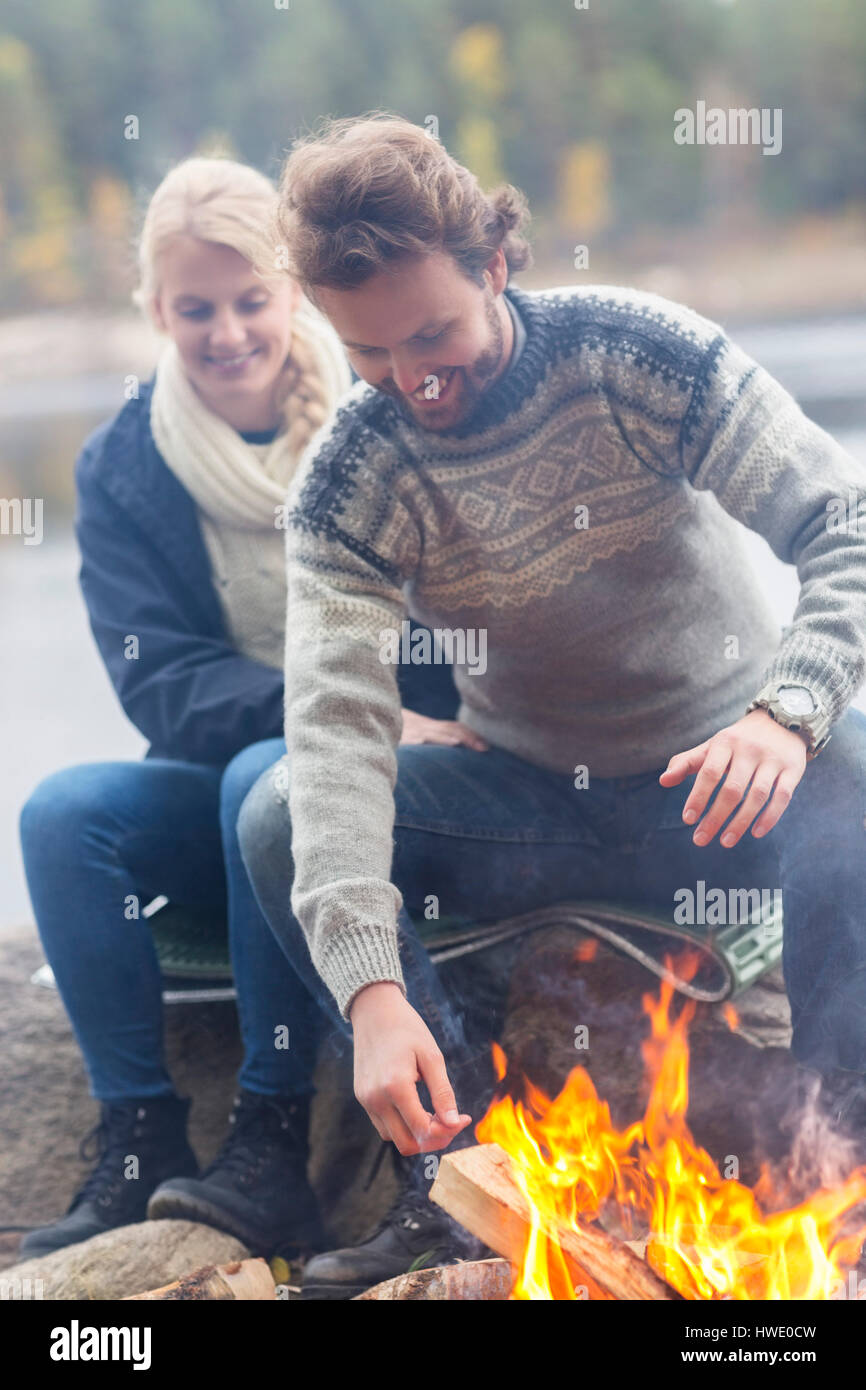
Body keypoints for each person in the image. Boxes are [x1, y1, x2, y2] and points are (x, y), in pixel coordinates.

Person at [235, 113, 866, 1299]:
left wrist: (785, 711)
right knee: (272, 812)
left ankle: (841, 1180)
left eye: (433, 332)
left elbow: (845, 522)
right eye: (372, 356)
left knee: (854, 767)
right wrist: (370, 987)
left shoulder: (638, 352)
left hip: (717, 792)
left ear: (495, 263)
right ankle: (459, 1192)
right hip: (525, 802)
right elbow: (332, 738)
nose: (413, 380)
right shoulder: (347, 487)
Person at [18, 154, 460, 1261]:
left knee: (257, 779)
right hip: (234, 768)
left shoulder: (379, 406)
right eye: (194, 308)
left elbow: (466, 607)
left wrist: (400, 717)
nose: (226, 331)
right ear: (154, 310)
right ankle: (139, 1140)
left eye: (251, 300)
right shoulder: (124, 466)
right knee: (63, 813)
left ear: (293, 295)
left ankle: (267, 1137)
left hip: (404, 765)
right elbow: (158, 682)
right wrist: (308, 710)